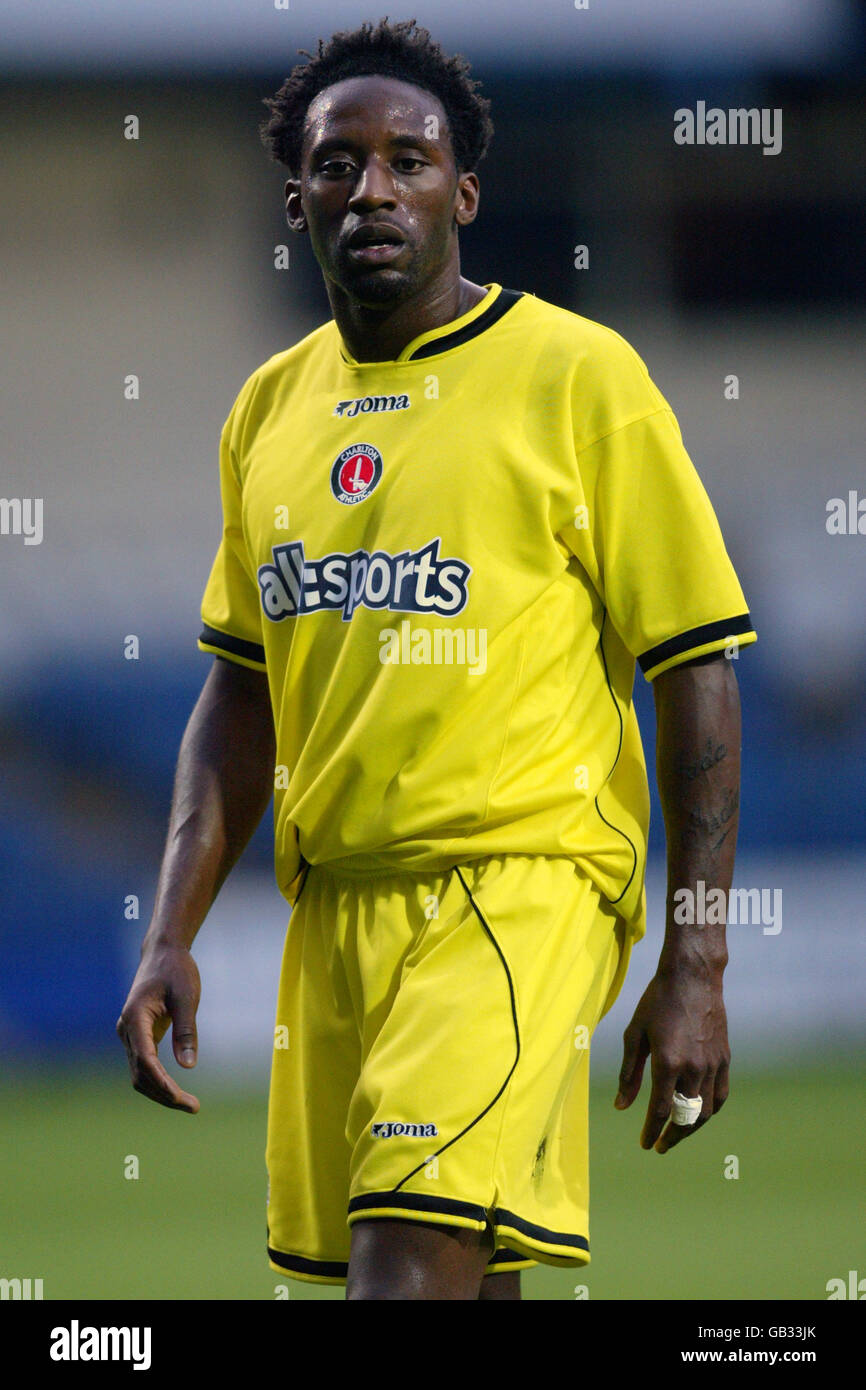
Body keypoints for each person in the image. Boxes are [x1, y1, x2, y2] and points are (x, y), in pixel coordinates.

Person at [117, 17, 756, 1301]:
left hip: (514, 887)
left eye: (408, 160)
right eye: (336, 163)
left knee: (396, 1277)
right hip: (338, 907)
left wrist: (693, 963)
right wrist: (169, 932)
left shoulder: (581, 379)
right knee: (469, 1273)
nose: (372, 188)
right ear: (295, 194)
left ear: (461, 193)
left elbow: (694, 669)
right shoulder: (268, 410)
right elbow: (240, 690)